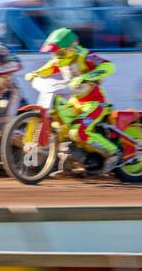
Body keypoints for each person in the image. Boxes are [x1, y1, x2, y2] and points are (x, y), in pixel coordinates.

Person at [25, 27, 121, 174]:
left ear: (71, 47)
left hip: (94, 103)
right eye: (54, 52)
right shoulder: (60, 60)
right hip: (75, 103)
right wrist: (34, 74)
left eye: (59, 51)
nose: (56, 56)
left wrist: (87, 77)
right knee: (58, 124)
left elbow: (109, 66)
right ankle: (63, 161)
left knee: (78, 132)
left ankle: (113, 153)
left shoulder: (84, 55)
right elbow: (49, 68)